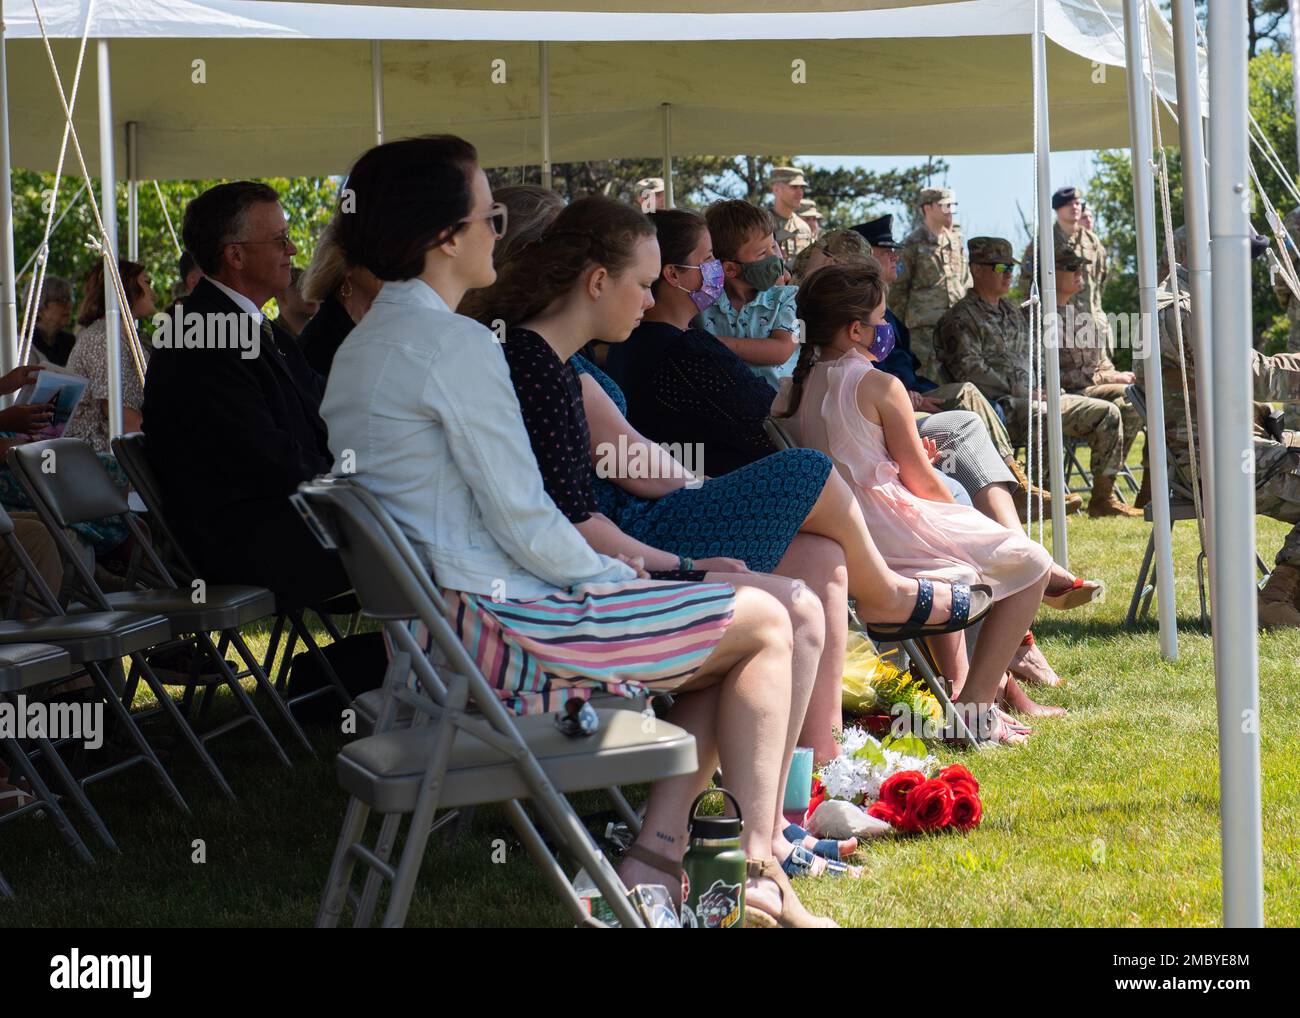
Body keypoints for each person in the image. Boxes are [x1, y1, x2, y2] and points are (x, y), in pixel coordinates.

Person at [319, 133, 836, 926]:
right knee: (764, 619)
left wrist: (664, 583)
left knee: (727, 627)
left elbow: (517, 523)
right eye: (489, 215)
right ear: (443, 236)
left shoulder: (367, 348)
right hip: (498, 642)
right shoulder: (451, 345)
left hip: (433, 649)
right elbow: (530, 525)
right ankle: (757, 868)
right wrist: (657, 578)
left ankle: (658, 857)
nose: (502, 229)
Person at [777, 262, 1068, 745]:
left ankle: (974, 695)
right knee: (1033, 563)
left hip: (839, 538)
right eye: (879, 320)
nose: (885, 330)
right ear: (855, 330)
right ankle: (974, 708)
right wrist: (961, 510)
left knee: (995, 559)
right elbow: (923, 483)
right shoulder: (879, 385)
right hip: (889, 530)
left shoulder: (791, 390)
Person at [142, 180, 348, 608]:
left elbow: (328, 412)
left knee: (424, 524)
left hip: (283, 521)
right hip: (248, 543)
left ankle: (399, 668)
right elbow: (263, 455)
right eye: (280, 240)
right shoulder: (196, 335)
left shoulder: (259, 329)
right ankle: (413, 670)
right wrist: (355, 490)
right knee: (424, 539)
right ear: (234, 255)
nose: (292, 250)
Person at [816, 222, 1074, 519]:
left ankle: (1015, 484)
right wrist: (905, 395)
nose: (895, 257)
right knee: (967, 396)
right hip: (892, 401)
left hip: (912, 393)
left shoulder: (888, 315)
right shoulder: (863, 315)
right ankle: (1013, 482)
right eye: (886, 252)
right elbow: (878, 372)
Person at [1151, 227, 1300, 627]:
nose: (1247, 270)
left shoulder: (1180, 302)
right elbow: (1251, 375)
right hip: (1215, 462)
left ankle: (1280, 591)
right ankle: (1277, 594)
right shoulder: (1185, 309)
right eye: (1242, 258)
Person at [935, 236, 1140, 518]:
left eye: (1010, 266)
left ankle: (1103, 499)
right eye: (999, 267)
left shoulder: (1013, 314)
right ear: (977, 269)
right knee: (1044, 414)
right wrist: (1022, 389)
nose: (1008, 273)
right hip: (999, 407)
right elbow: (969, 371)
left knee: (1108, 412)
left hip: (1037, 395)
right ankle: (1037, 495)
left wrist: (1045, 386)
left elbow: (1038, 361)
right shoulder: (959, 319)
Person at [605, 208, 782, 474]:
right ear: (673, 274)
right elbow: (768, 419)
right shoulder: (688, 352)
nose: (717, 267)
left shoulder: (625, 343)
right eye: (709, 258)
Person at [1053, 247, 1147, 505]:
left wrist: (1118, 375)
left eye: (1080, 267)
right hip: (1065, 397)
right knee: (1119, 406)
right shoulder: (1037, 318)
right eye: (1072, 267)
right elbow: (1055, 376)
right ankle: (1104, 496)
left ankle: (1121, 491)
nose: (1079, 272)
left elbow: (1101, 363)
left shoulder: (1082, 317)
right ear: (1051, 273)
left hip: (1089, 391)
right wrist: (1107, 378)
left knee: (1137, 398)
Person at [699, 199, 800, 390]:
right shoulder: (704, 302)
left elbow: (782, 349)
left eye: (773, 246)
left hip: (777, 412)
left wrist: (712, 343)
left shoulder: (788, 298)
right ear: (730, 269)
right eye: (763, 253)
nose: (775, 257)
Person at [64, 259, 155, 452]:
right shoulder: (103, 339)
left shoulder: (123, 337)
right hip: (98, 458)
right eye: (147, 282)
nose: (152, 292)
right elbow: (118, 415)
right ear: (128, 287)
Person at [889, 186, 970, 380]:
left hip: (956, 326)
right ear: (928, 208)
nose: (950, 209)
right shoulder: (913, 243)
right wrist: (901, 330)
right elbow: (898, 290)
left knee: (961, 379)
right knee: (931, 381)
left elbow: (966, 281)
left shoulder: (956, 242)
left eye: (952, 205)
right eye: (945, 205)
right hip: (925, 330)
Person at [1022, 186, 1111, 356]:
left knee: (1101, 376)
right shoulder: (1044, 243)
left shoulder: (1092, 241)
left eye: (1078, 203)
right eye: (1069, 204)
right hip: (1058, 329)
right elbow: (1028, 284)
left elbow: (1101, 280)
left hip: (1091, 326)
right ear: (1057, 209)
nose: (1075, 207)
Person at [297, 216, 383, 377]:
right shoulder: (319, 342)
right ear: (347, 266)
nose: (391, 264)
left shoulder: (377, 327)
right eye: (378, 252)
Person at [25, 276, 76, 366]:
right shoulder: (25, 343)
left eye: (70, 300)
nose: (69, 305)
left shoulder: (70, 342)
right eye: (61, 300)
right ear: (39, 307)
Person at [769, 166, 813, 259]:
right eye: (794, 187)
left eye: (802, 187)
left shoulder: (803, 229)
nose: (800, 192)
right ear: (776, 189)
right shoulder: (760, 224)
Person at [271, 266, 320, 343]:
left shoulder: (322, 337)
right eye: (301, 287)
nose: (312, 293)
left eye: (314, 288)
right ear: (281, 295)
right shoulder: (269, 338)